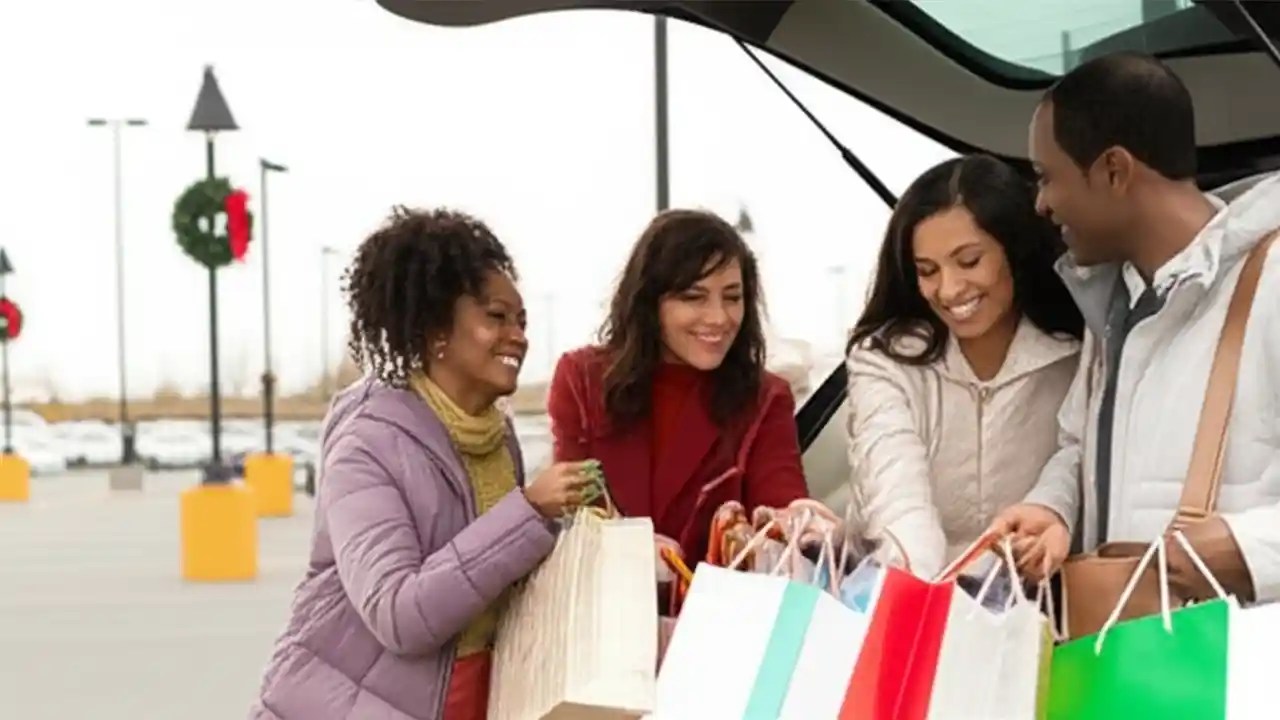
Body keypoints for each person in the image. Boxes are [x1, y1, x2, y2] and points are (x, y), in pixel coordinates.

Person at [251, 208, 593, 720]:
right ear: (437, 332)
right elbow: (399, 615)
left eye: (522, 321)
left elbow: (490, 571)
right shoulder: (367, 445)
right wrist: (528, 510)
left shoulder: (495, 436)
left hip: (472, 697)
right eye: (496, 317)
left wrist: (588, 540)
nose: (518, 336)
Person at [993, 52, 1280, 604]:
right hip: (1140, 659)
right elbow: (1083, 447)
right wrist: (1053, 509)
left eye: (1047, 177)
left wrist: (1246, 551)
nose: (1041, 203)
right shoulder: (1113, 303)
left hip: (1247, 675)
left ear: (1114, 171)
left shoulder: (1272, 280)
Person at [844, 154, 1084, 581]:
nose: (949, 289)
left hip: (1038, 609)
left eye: (970, 261)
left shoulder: (1078, 353)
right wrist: (923, 604)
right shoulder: (884, 360)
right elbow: (897, 496)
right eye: (927, 271)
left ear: (1015, 250)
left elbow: (1076, 464)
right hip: (906, 597)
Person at [547, 209, 809, 567]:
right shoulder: (581, 380)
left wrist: (803, 526)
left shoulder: (765, 399)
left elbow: (782, 509)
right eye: (693, 297)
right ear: (650, 301)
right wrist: (630, 549)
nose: (719, 317)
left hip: (719, 615)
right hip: (604, 612)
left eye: (732, 297)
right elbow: (572, 512)